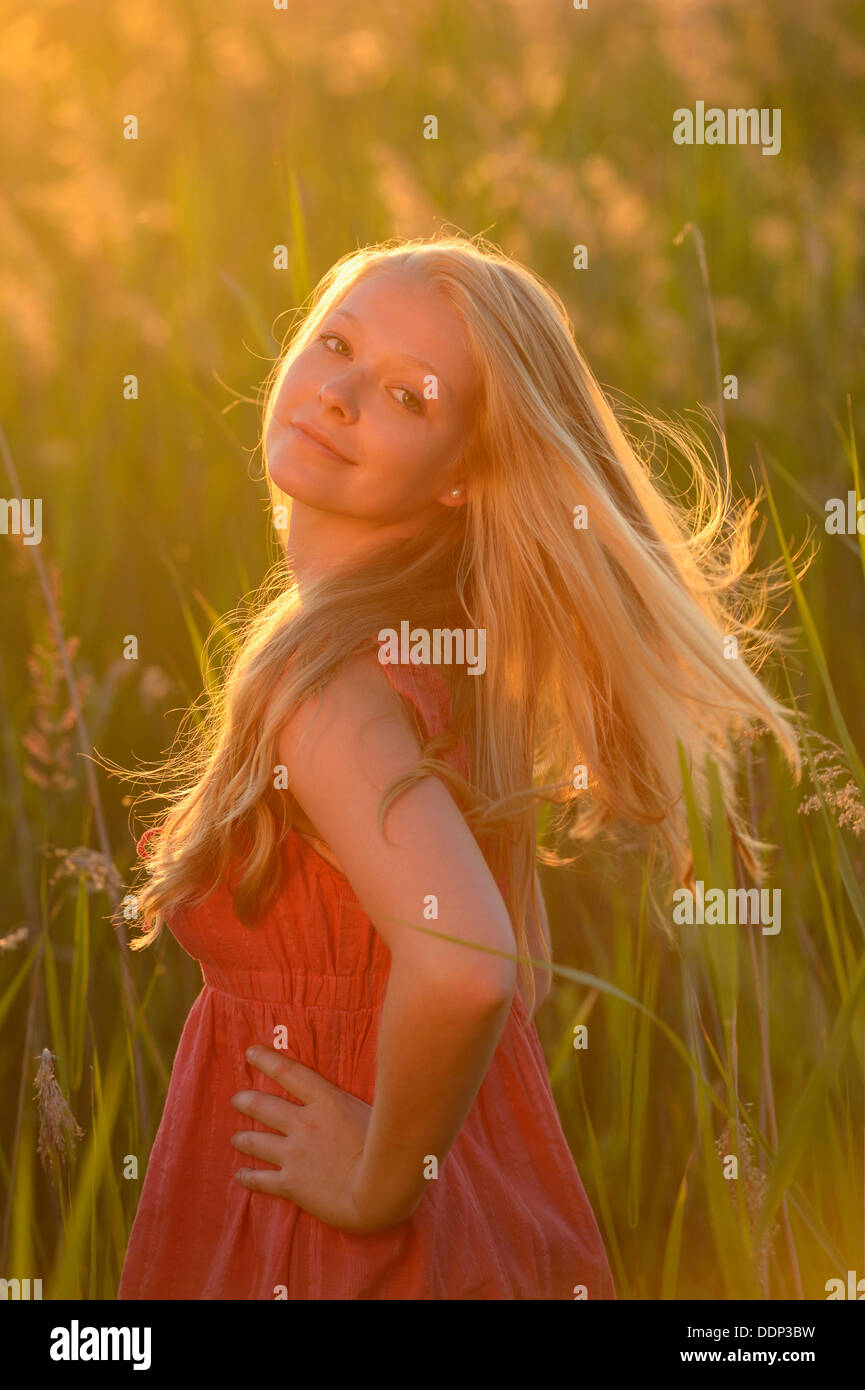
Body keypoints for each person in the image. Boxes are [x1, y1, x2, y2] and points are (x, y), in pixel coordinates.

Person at [114, 232, 798, 1300]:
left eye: (408, 397)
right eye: (336, 341)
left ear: (460, 480)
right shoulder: (447, 657)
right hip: (472, 1194)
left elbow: (473, 963)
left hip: (334, 1233)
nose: (340, 394)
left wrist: (379, 1181)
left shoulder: (326, 682)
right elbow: (520, 957)